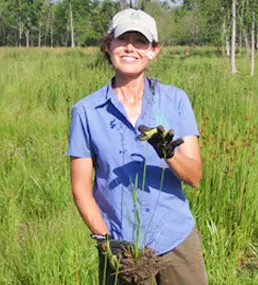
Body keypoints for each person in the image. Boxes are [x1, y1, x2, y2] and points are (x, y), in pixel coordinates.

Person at [68, 8, 208, 285]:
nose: (130, 47)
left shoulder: (175, 101)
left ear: (153, 50)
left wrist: (169, 154)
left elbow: (194, 177)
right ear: (108, 46)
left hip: (176, 239)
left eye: (140, 41)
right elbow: (81, 187)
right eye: (122, 39)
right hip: (122, 245)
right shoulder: (86, 111)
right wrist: (106, 241)